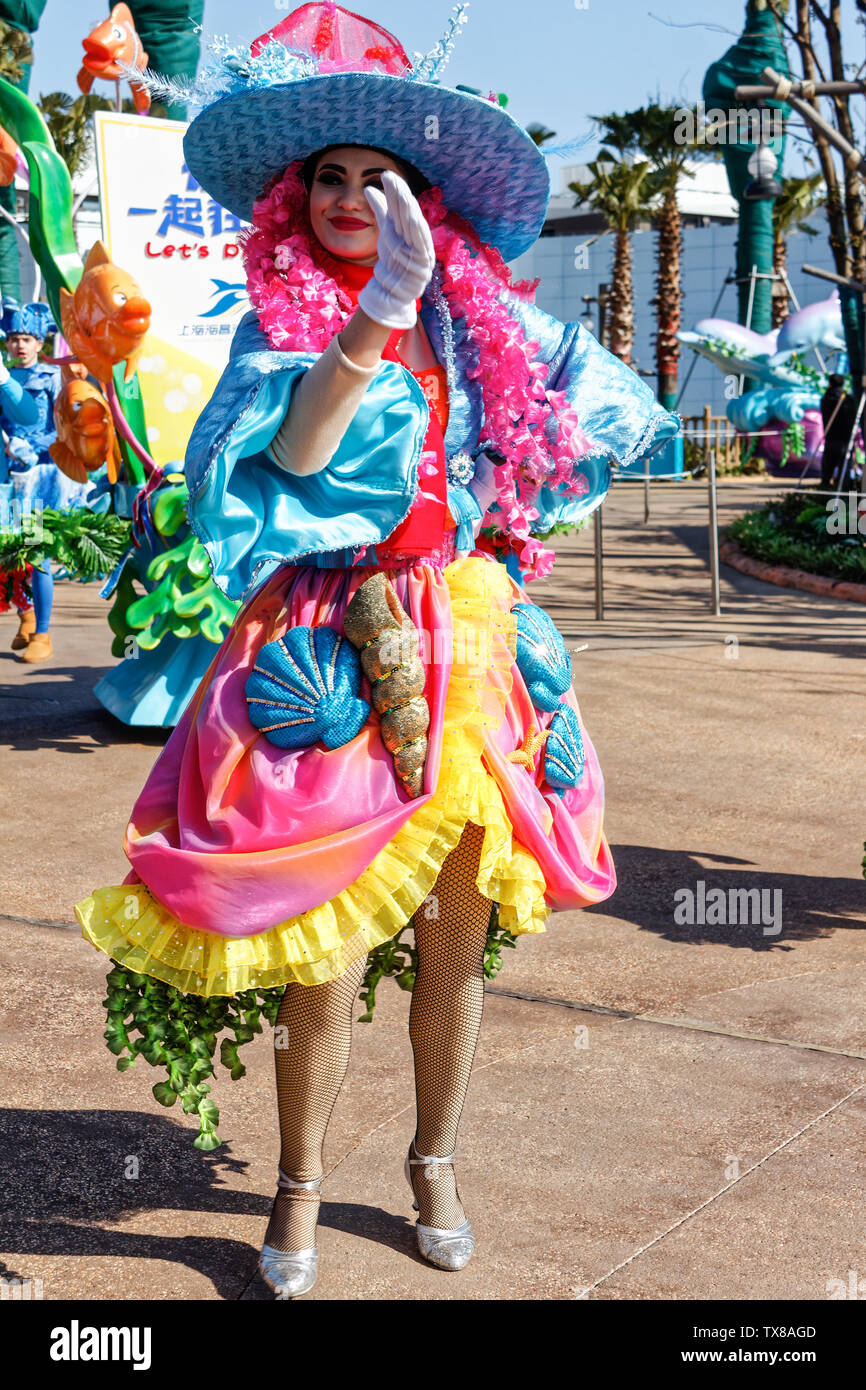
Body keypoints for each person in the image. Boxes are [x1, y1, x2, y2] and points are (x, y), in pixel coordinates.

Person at [75, 3, 679, 1298]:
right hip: (321, 647)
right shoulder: (282, 325)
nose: (353, 197)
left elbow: (603, 425)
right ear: (298, 199)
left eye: (381, 177)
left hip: (465, 635)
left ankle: (431, 1160)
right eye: (332, 177)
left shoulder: (479, 331)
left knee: (457, 935)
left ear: (424, 199)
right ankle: (296, 1188)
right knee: (323, 945)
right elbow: (279, 463)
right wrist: (366, 328)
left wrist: (526, 438)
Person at [0, 299, 69, 663]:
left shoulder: (54, 377)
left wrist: (32, 445)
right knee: (10, 557)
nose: (20, 345)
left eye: (26, 338)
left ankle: (42, 634)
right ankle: (25, 616)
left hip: (40, 479)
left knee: (37, 555)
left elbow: (65, 428)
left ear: (40, 343)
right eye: (14, 338)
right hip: (7, 480)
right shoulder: (4, 377)